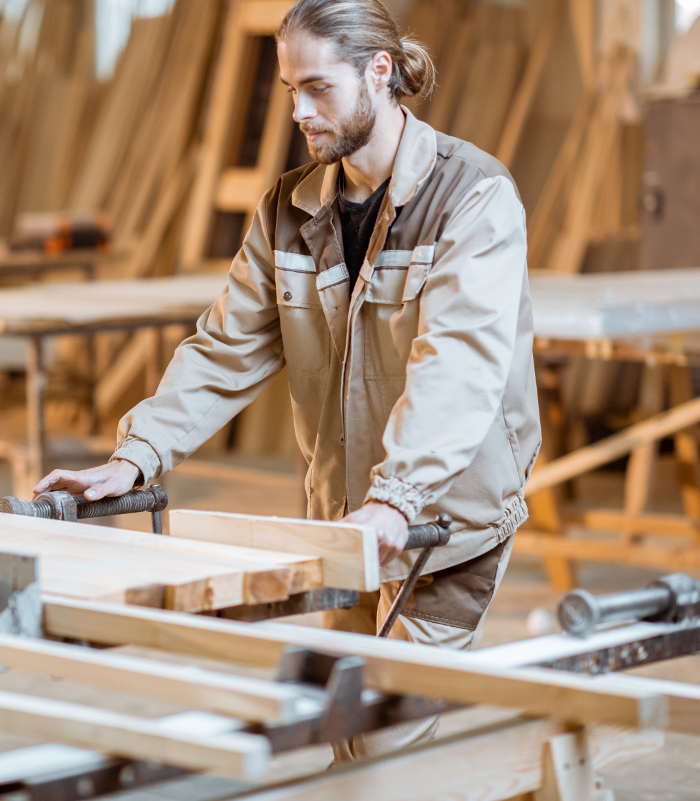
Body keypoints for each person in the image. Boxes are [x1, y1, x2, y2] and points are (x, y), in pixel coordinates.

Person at [34, 0, 541, 761]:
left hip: (445, 524)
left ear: (381, 71)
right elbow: (224, 347)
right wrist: (134, 456)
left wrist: (398, 498)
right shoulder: (289, 208)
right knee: (346, 734)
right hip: (346, 518)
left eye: (318, 88)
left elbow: (459, 364)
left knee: (380, 737)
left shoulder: (472, 195)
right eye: (289, 91)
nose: (300, 111)